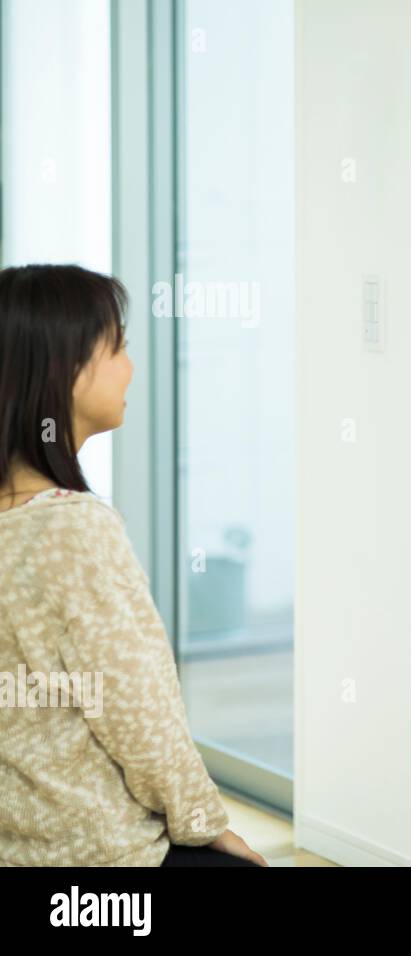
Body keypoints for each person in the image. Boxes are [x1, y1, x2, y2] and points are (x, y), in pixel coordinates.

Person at [0, 263, 266, 867]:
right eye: (117, 347)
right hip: (102, 862)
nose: (131, 366)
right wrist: (206, 822)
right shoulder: (72, 528)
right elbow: (138, 713)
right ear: (63, 370)